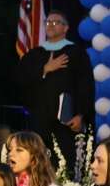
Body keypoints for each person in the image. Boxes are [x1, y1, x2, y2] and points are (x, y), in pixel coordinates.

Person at [13, 9, 95, 168]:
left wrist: (81, 115)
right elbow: (20, 79)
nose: (50, 25)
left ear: (65, 28)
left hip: (65, 122)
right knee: (39, 162)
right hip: (39, 121)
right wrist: (44, 69)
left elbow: (85, 86)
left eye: (55, 22)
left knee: (66, 164)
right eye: (48, 22)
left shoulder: (76, 53)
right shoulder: (35, 54)